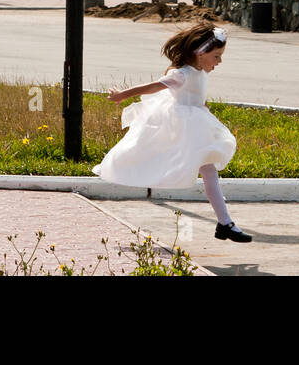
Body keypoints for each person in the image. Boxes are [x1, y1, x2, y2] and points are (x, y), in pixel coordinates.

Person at [94, 22, 251, 243]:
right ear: (200, 53)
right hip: (183, 126)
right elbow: (153, 87)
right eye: (216, 56)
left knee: (209, 170)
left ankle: (225, 223)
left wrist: (203, 107)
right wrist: (122, 95)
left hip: (197, 124)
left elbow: (197, 95)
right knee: (182, 162)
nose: (219, 62)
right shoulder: (183, 74)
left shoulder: (199, 72)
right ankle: (225, 223)